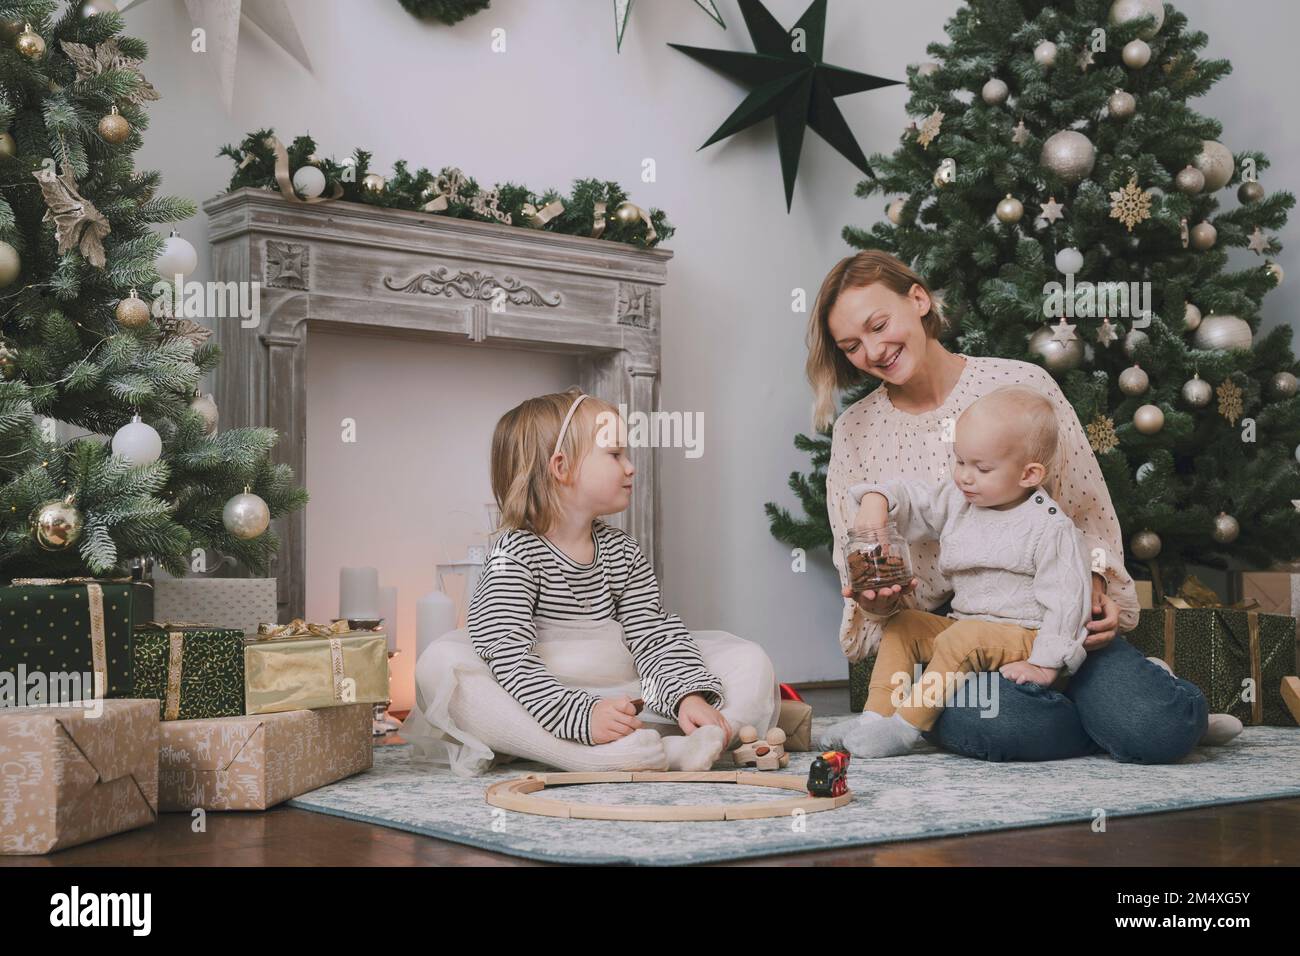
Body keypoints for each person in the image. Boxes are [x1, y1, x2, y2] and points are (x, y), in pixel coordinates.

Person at [807, 249, 1224, 763]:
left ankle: (1139, 699)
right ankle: (1092, 716)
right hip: (949, 634)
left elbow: (1087, 514)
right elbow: (868, 561)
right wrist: (876, 600)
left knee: (1156, 728)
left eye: (878, 325)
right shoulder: (856, 431)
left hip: (1051, 611)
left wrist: (1089, 587)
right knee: (1007, 725)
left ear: (917, 300)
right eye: (852, 345)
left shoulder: (1022, 385)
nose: (873, 350)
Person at [402, 387, 781, 776]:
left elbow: (652, 634)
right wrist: (581, 716)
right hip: (540, 695)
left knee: (748, 660)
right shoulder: (513, 555)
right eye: (615, 454)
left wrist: (688, 696)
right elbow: (510, 658)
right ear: (562, 468)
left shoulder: (623, 551)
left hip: (624, 691)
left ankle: (705, 737)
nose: (631, 467)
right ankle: (585, 757)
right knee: (439, 666)